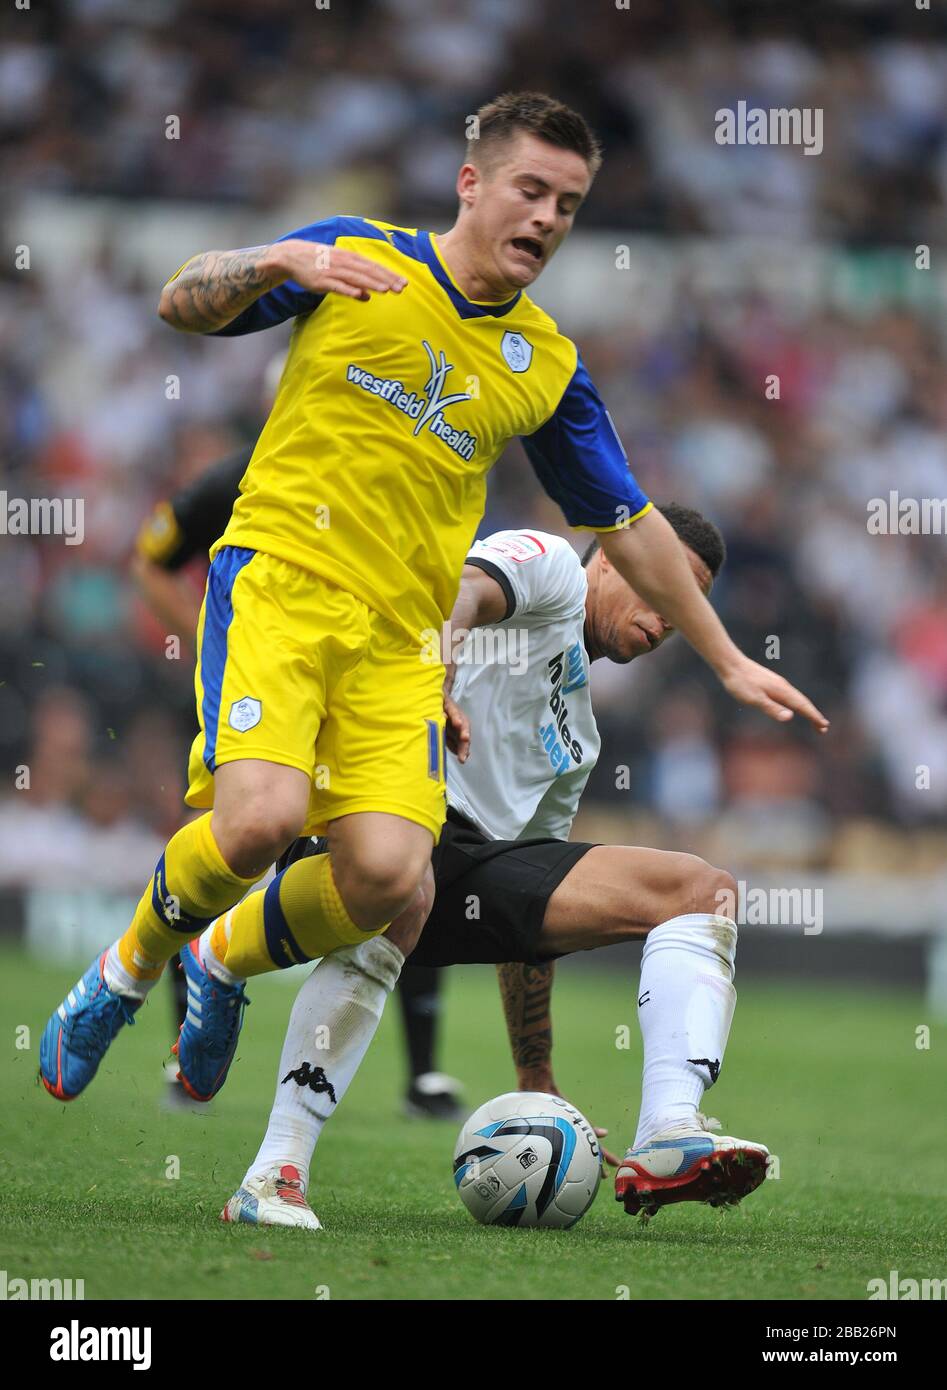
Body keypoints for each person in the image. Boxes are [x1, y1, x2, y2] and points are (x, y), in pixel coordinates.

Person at [40, 90, 825, 1109]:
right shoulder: (359, 257)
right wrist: (280, 261)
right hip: (281, 580)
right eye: (529, 190)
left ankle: (214, 961)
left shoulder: (544, 364)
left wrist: (724, 658)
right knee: (260, 823)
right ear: (471, 184)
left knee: (385, 881)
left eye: (568, 205)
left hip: (397, 641)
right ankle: (123, 972)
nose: (545, 218)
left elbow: (629, 522)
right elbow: (179, 297)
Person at [221, 509, 768, 1230]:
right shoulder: (545, 564)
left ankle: (667, 1129)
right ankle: (273, 1173)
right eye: (666, 587)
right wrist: (436, 684)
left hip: (467, 865)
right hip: (374, 804)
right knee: (407, 884)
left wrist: (534, 1073)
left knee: (703, 890)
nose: (669, 618)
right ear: (610, 557)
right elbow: (463, 592)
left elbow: (531, 914)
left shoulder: (576, 742)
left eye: (688, 603)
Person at [133, 442, 463, 1118]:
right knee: (230, 842)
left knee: (398, 861)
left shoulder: (390, 474)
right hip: (255, 680)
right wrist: (212, 642)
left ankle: (423, 1070)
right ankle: (184, 1048)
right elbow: (150, 561)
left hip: (353, 688)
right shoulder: (236, 475)